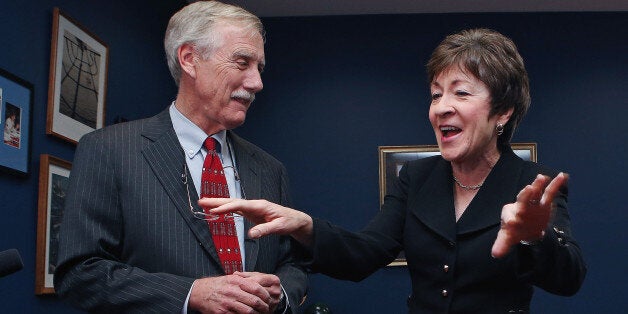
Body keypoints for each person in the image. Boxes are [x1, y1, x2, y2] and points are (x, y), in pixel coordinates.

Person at [204, 28, 586, 313]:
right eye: (437, 94)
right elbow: (364, 254)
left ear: (502, 112)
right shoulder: (417, 179)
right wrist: (304, 225)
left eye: (461, 92)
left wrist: (535, 237)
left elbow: (569, 279)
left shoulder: (535, 185)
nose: (442, 107)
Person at [54, 1, 307, 313]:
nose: (257, 83)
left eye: (259, 68)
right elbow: (79, 275)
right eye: (242, 63)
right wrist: (190, 294)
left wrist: (280, 294)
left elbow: (293, 264)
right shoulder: (109, 150)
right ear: (190, 60)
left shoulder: (270, 169)